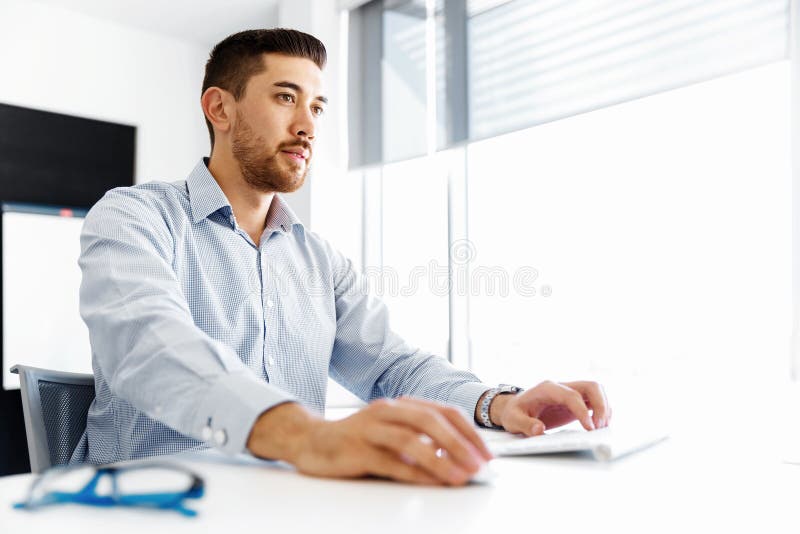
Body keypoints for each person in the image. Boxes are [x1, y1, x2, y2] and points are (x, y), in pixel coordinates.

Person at [71, 28, 610, 486]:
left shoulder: (319, 260)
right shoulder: (135, 216)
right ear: (220, 108)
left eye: (317, 105)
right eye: (286, 97)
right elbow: (150, 345)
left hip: (284, 505)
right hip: (144, 509)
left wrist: (497, 404)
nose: (308, 124)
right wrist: (306, 436)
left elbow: (393, 366)